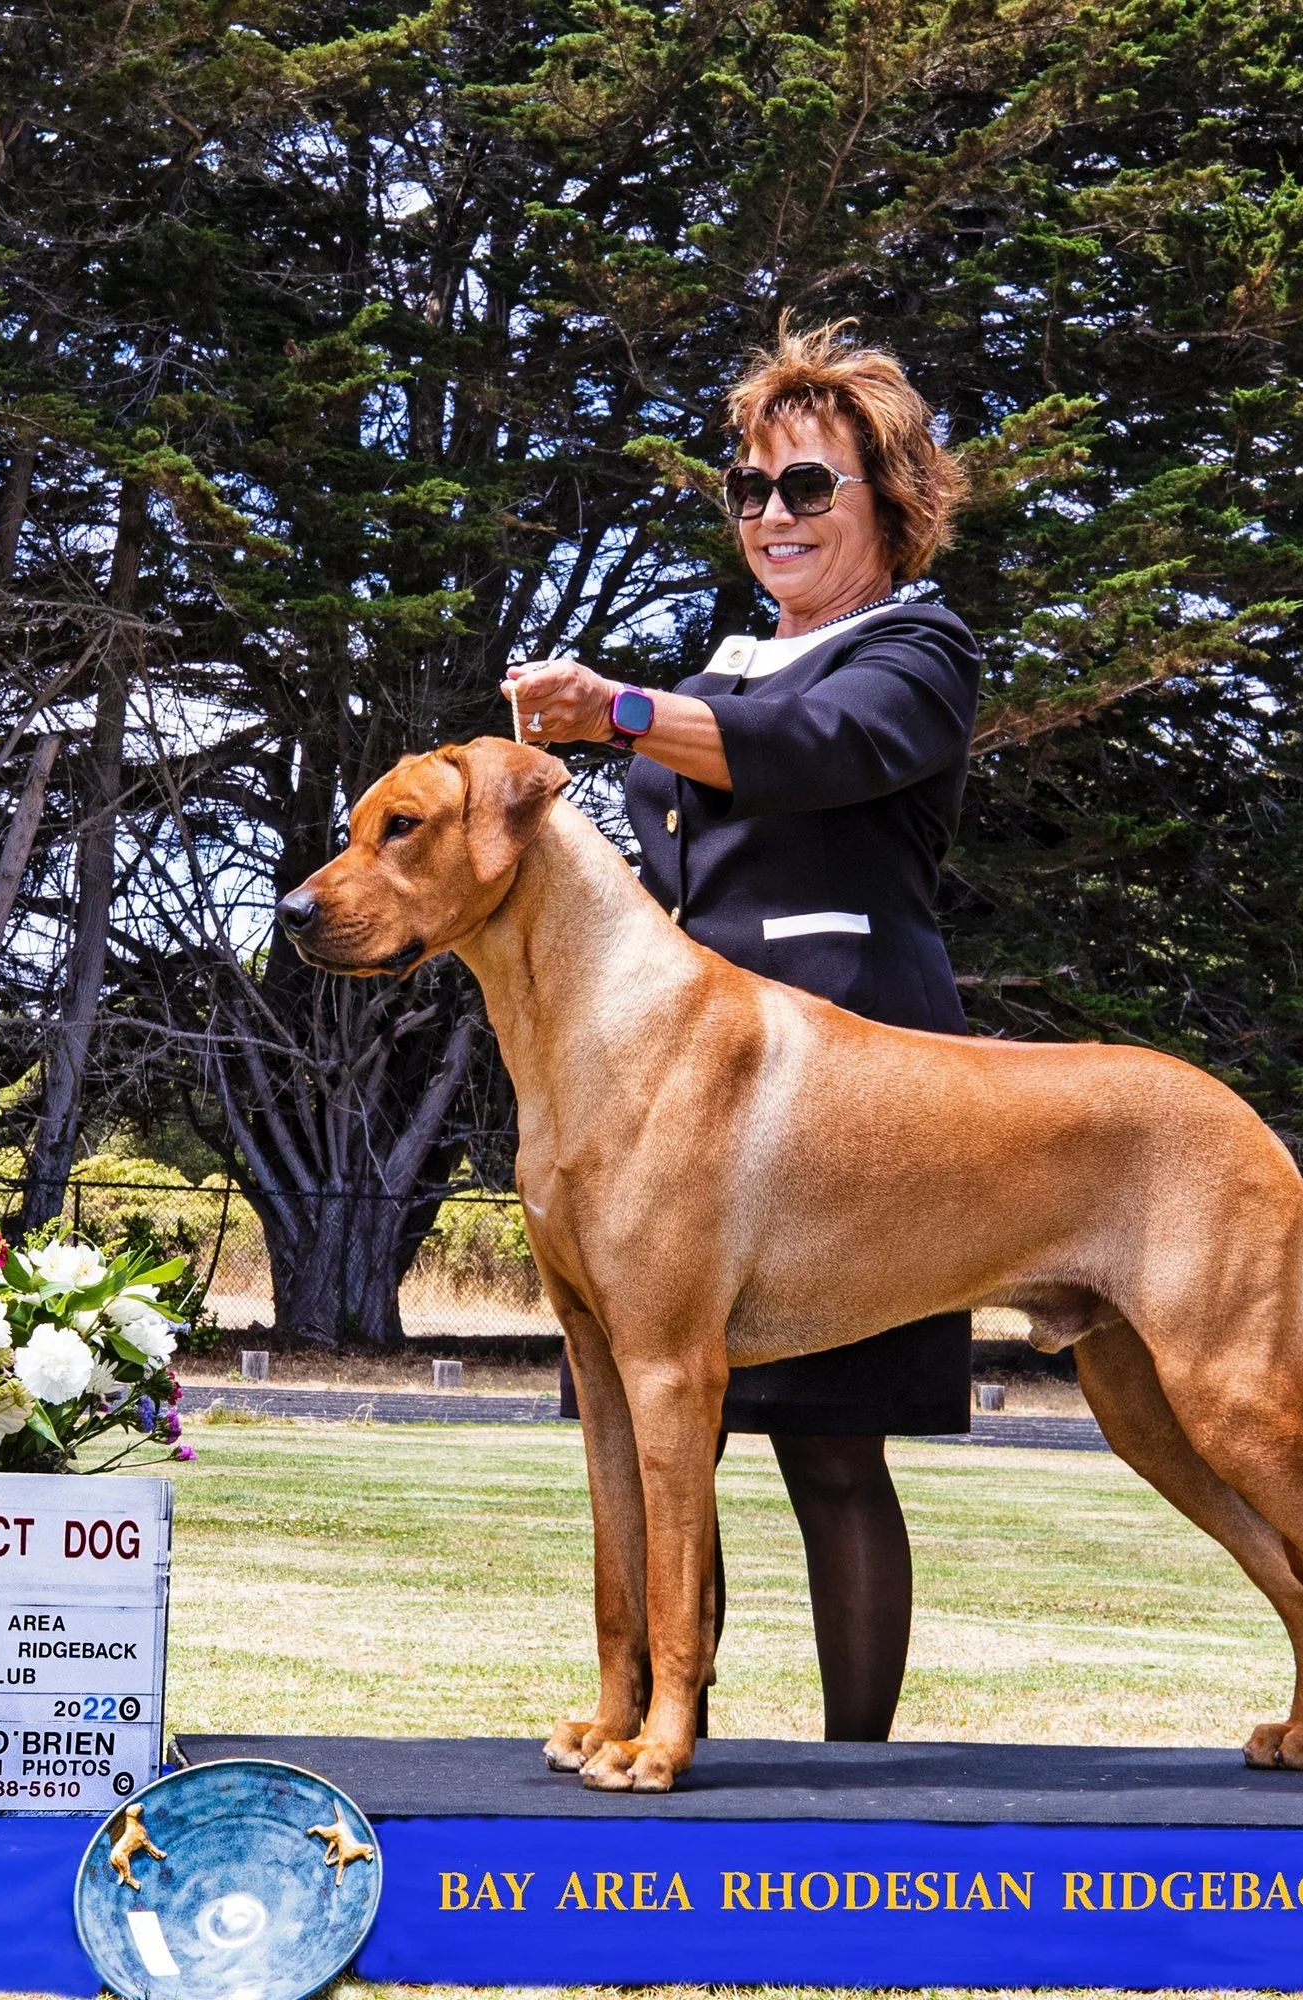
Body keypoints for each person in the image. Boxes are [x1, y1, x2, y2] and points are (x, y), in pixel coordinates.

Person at [502, 317, 976, 1743]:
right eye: (750, 490)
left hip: (856, 1095)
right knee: (667, 1440)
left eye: (808, 488)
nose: (771, 515)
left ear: (888, 503)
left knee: (835, 1457)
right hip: (682, 1115)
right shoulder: (718, 675)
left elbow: (815, 757)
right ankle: (654, 1714)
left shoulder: (917, 651)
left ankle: (857, 1778)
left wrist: (621, 710)